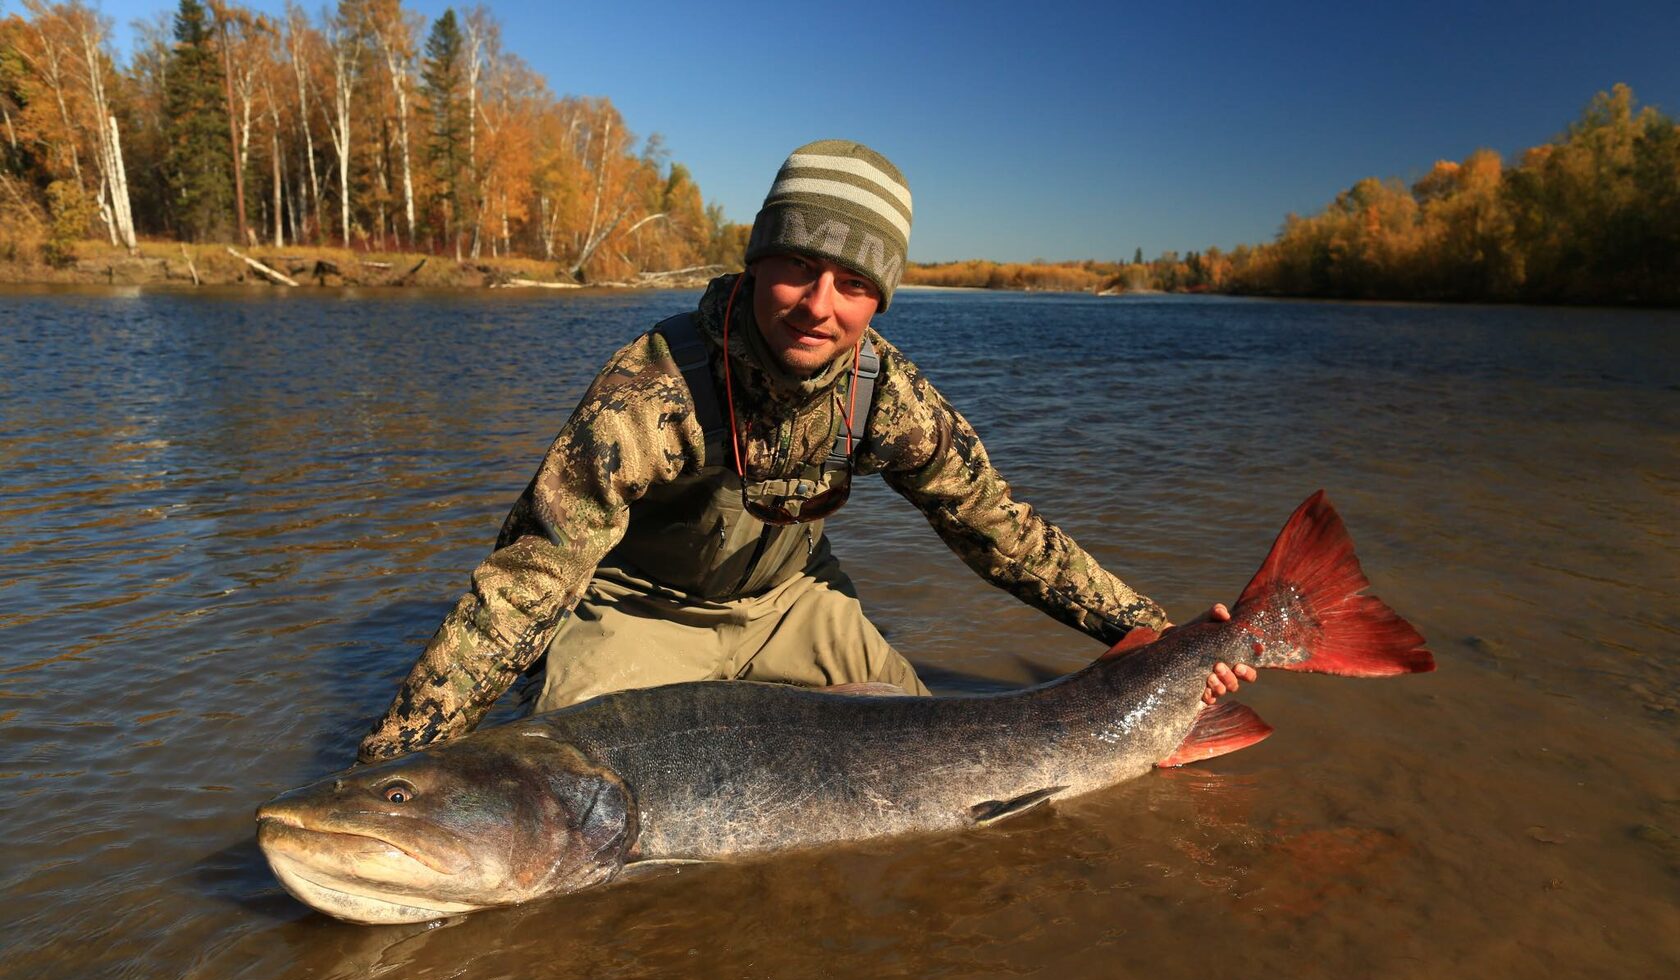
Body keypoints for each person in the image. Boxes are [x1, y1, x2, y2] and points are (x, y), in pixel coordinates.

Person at [357, 139, 1254, 764]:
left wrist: (1156, 637)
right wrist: (397, 759)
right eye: (797, 266)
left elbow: (1005, 535)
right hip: (640, 614)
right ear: (754, 262)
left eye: (854, 283)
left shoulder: (887, 396)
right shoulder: (652, 389)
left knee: (928, 753)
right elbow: (529, 578)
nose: (818, 304)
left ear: (879, 301)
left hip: (793, 605)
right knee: (565, 777)